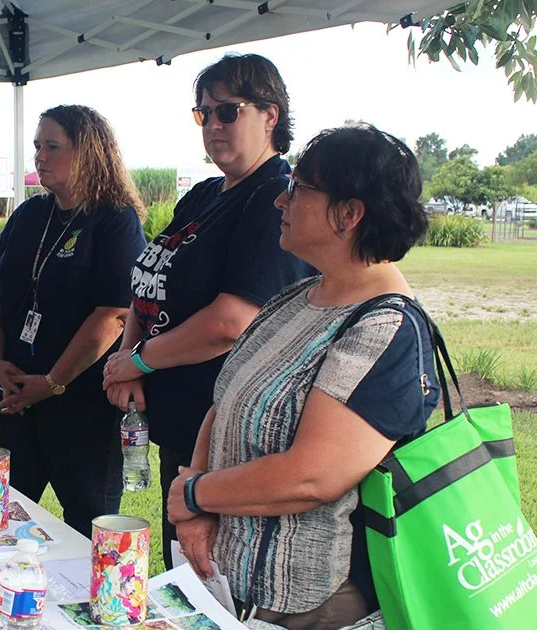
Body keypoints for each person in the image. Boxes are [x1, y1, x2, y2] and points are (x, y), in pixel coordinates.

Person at [168, 125, 439, 629]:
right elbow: (224, 402)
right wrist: (199, 506)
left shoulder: (387, 329)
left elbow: (312, 475)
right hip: (232, 586)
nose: (279, 201)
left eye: (298, 188)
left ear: (349, 214)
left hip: (309, 604)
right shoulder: (296, 299)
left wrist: (192, 494)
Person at [100, 53, 314, 567]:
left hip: (228, 440)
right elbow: (147, 285)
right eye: (204, 113)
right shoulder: (201, 196)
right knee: (182, 573)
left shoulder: (274, 200)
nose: (213, 125)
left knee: (207, 583)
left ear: (271, 115)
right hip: (179, 426)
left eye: (228, 111)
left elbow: (231, 322)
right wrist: (129, 358)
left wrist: (140, 360)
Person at [0, 105, 147, 535]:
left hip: (81, 403)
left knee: (91, 527)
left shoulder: (115, 219)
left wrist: (52, 382)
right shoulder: (30, 214)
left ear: (88, 152)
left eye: (52, 147)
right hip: (13, 395)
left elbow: (112, 314)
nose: (39, 157)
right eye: (37, 146)